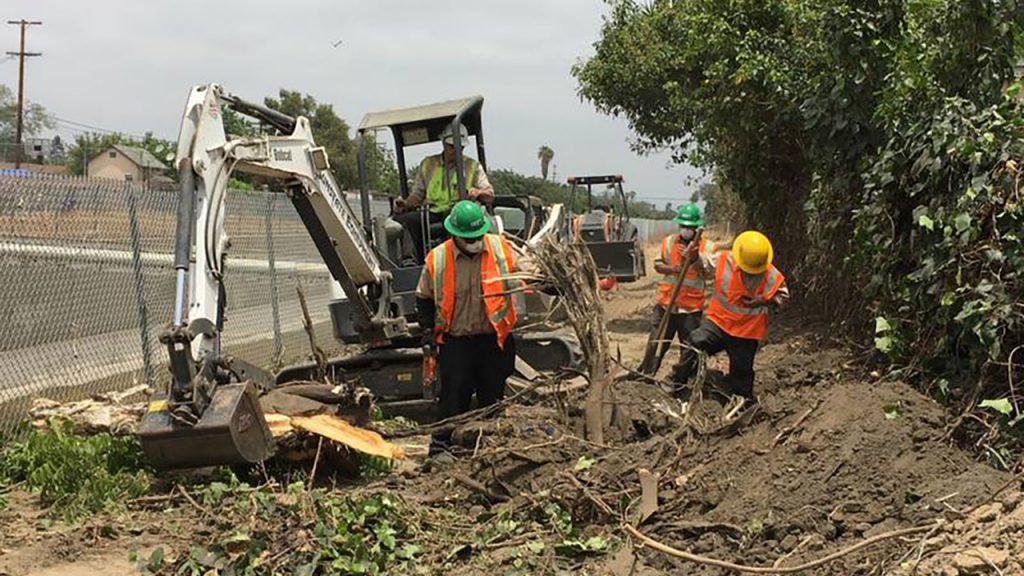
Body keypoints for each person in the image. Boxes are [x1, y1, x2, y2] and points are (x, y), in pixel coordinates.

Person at [416, 200, 518, 454]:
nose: (475, 242)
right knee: (453, 398)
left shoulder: (501, 249)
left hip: (494, 340)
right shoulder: (438, 258)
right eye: (469, 238)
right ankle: (441, 451)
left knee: (492, 400)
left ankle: (489, 451)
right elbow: (424, 298)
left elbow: (527, 272)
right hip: (456, 341)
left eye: (478, 236)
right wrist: (427, 331)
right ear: (455, 235)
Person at [672, 230, 788, 402]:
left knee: (742, 372)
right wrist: (694, 257)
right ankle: (677, 383)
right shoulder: (725, 259)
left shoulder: (771, 274)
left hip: (746, 333)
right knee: (694, 342)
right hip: (719, 324)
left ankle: (743, 403)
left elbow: (782, 297)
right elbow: (704, 262)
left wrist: (763, 301)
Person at [641, 203, 723, 374]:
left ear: (696, 227)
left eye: (690, 227)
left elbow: (711, 273)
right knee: (656, 343)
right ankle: (646, 375)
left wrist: (695, 258)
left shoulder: (708, 247)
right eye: (683, 226)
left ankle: (684, 381)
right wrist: (673, 269)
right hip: (666, 304)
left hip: (690, 309)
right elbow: (657, 264)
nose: (686, 230)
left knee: (689, 348)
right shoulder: (669, 241)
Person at [394, 123, 494, 261]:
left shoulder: (473, 167)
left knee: (455, 220)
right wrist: (405, 204)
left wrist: (477, 192)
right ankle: (410, 261)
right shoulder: (428, 164)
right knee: (405, 221)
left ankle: (454, 259)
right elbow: (417, 195)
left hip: (458, 211)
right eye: (452, 147)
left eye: (460, 147)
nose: (456, 150)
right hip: (432, 211)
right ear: (443, 143)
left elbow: (489, 195)